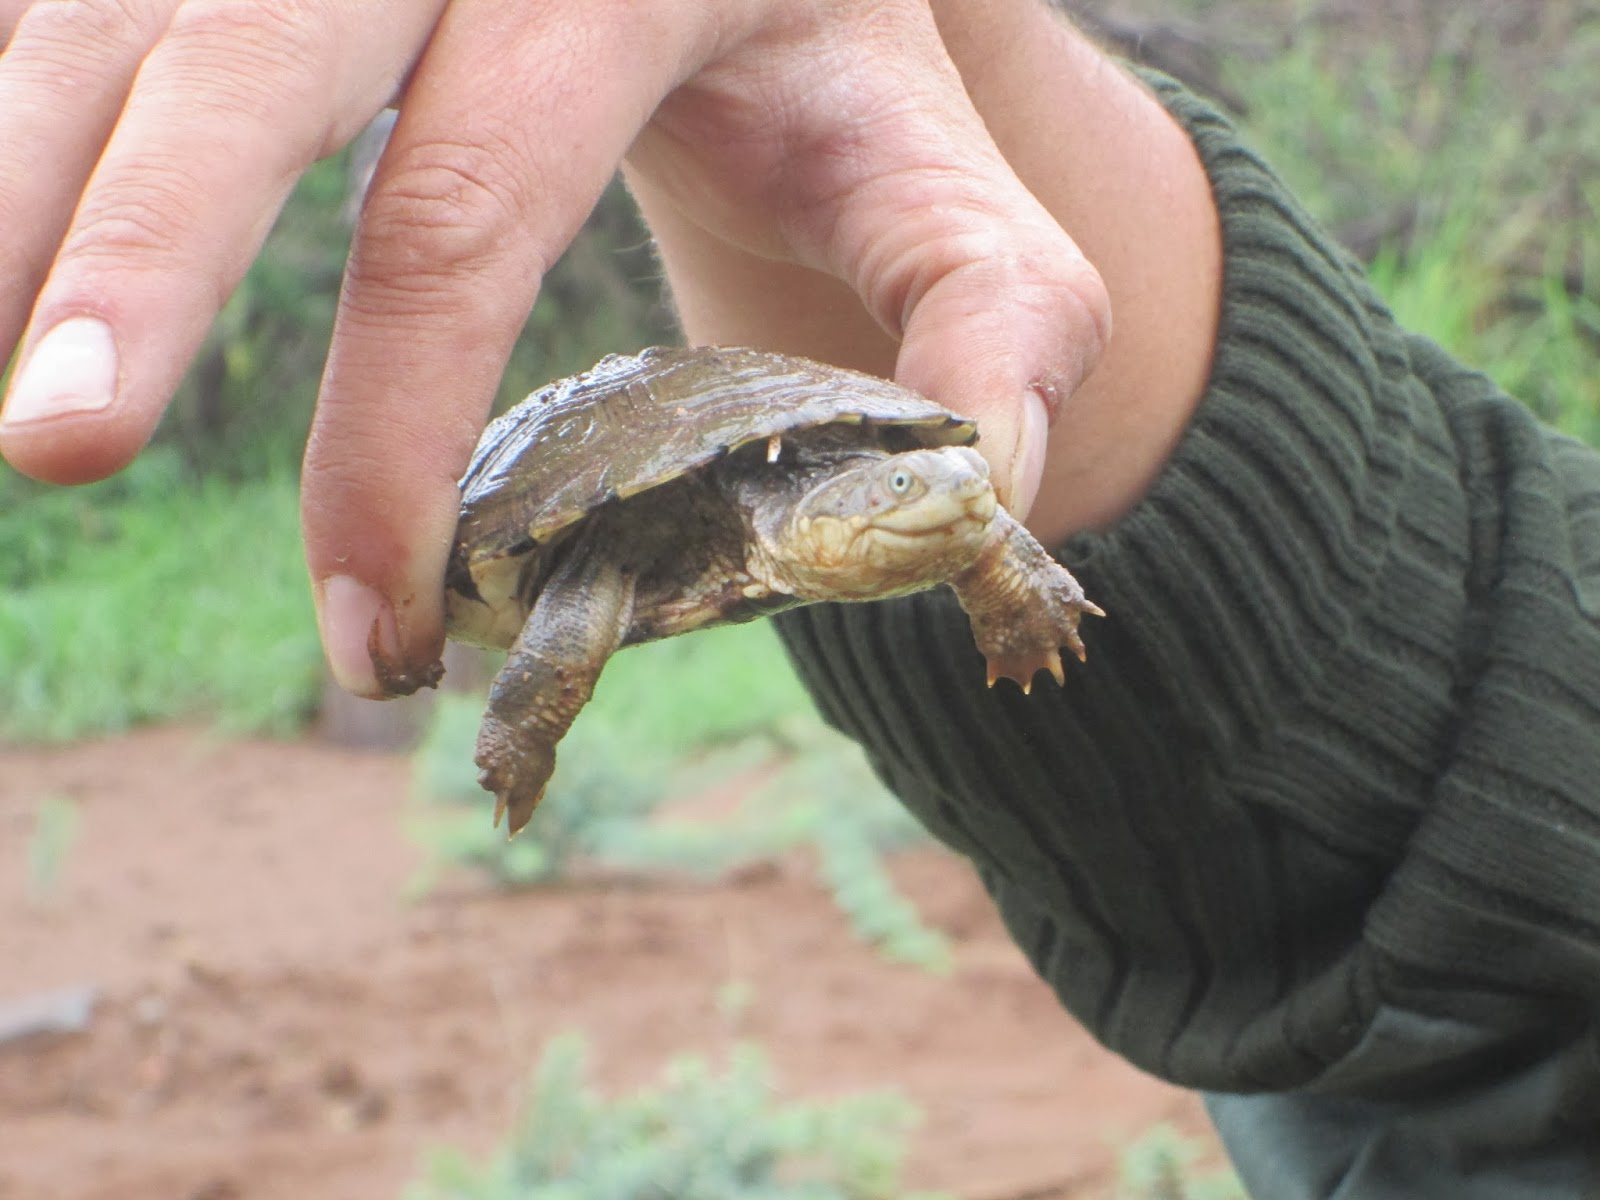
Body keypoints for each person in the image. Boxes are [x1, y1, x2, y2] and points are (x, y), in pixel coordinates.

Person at [1, 2, 1595, 1195]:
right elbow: (1474, 773)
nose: (952, 495)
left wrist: (1009, 580)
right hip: (587, 490)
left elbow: (953, 501)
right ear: (810, 486)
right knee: (591, 592)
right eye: (900, 485)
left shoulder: (928, 499)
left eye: (938, 487)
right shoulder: (692, 513)